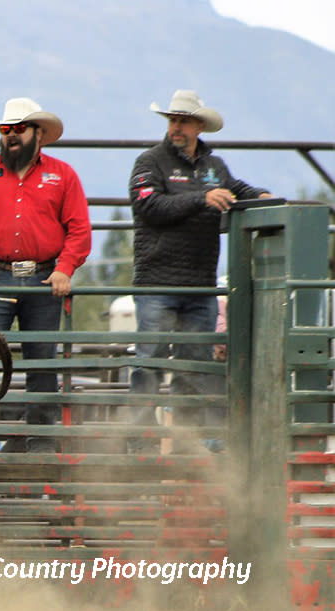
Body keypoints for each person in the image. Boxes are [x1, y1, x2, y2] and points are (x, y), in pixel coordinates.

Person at [127, 89, 272, 453]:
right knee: (150, 362)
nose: (176, 127)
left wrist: (263, 196)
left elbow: (237, 189)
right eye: (173, 120)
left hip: (200, 283)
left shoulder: (214, 167)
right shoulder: (150, 162)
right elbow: (150, 207)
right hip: (158, 281)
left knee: (194, 366)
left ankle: (186, 444)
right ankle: (141, 442)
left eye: (183, 120)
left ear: (199, 126)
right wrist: (201, 198)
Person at [0, 97, 91, 454]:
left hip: (44, 278)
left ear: (37, 134)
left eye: (18, 129)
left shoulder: (63, 175)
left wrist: (64, 267)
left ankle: (41, 438)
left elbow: (79, 229)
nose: (10, 136)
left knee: (42, 359)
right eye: (6, 130)